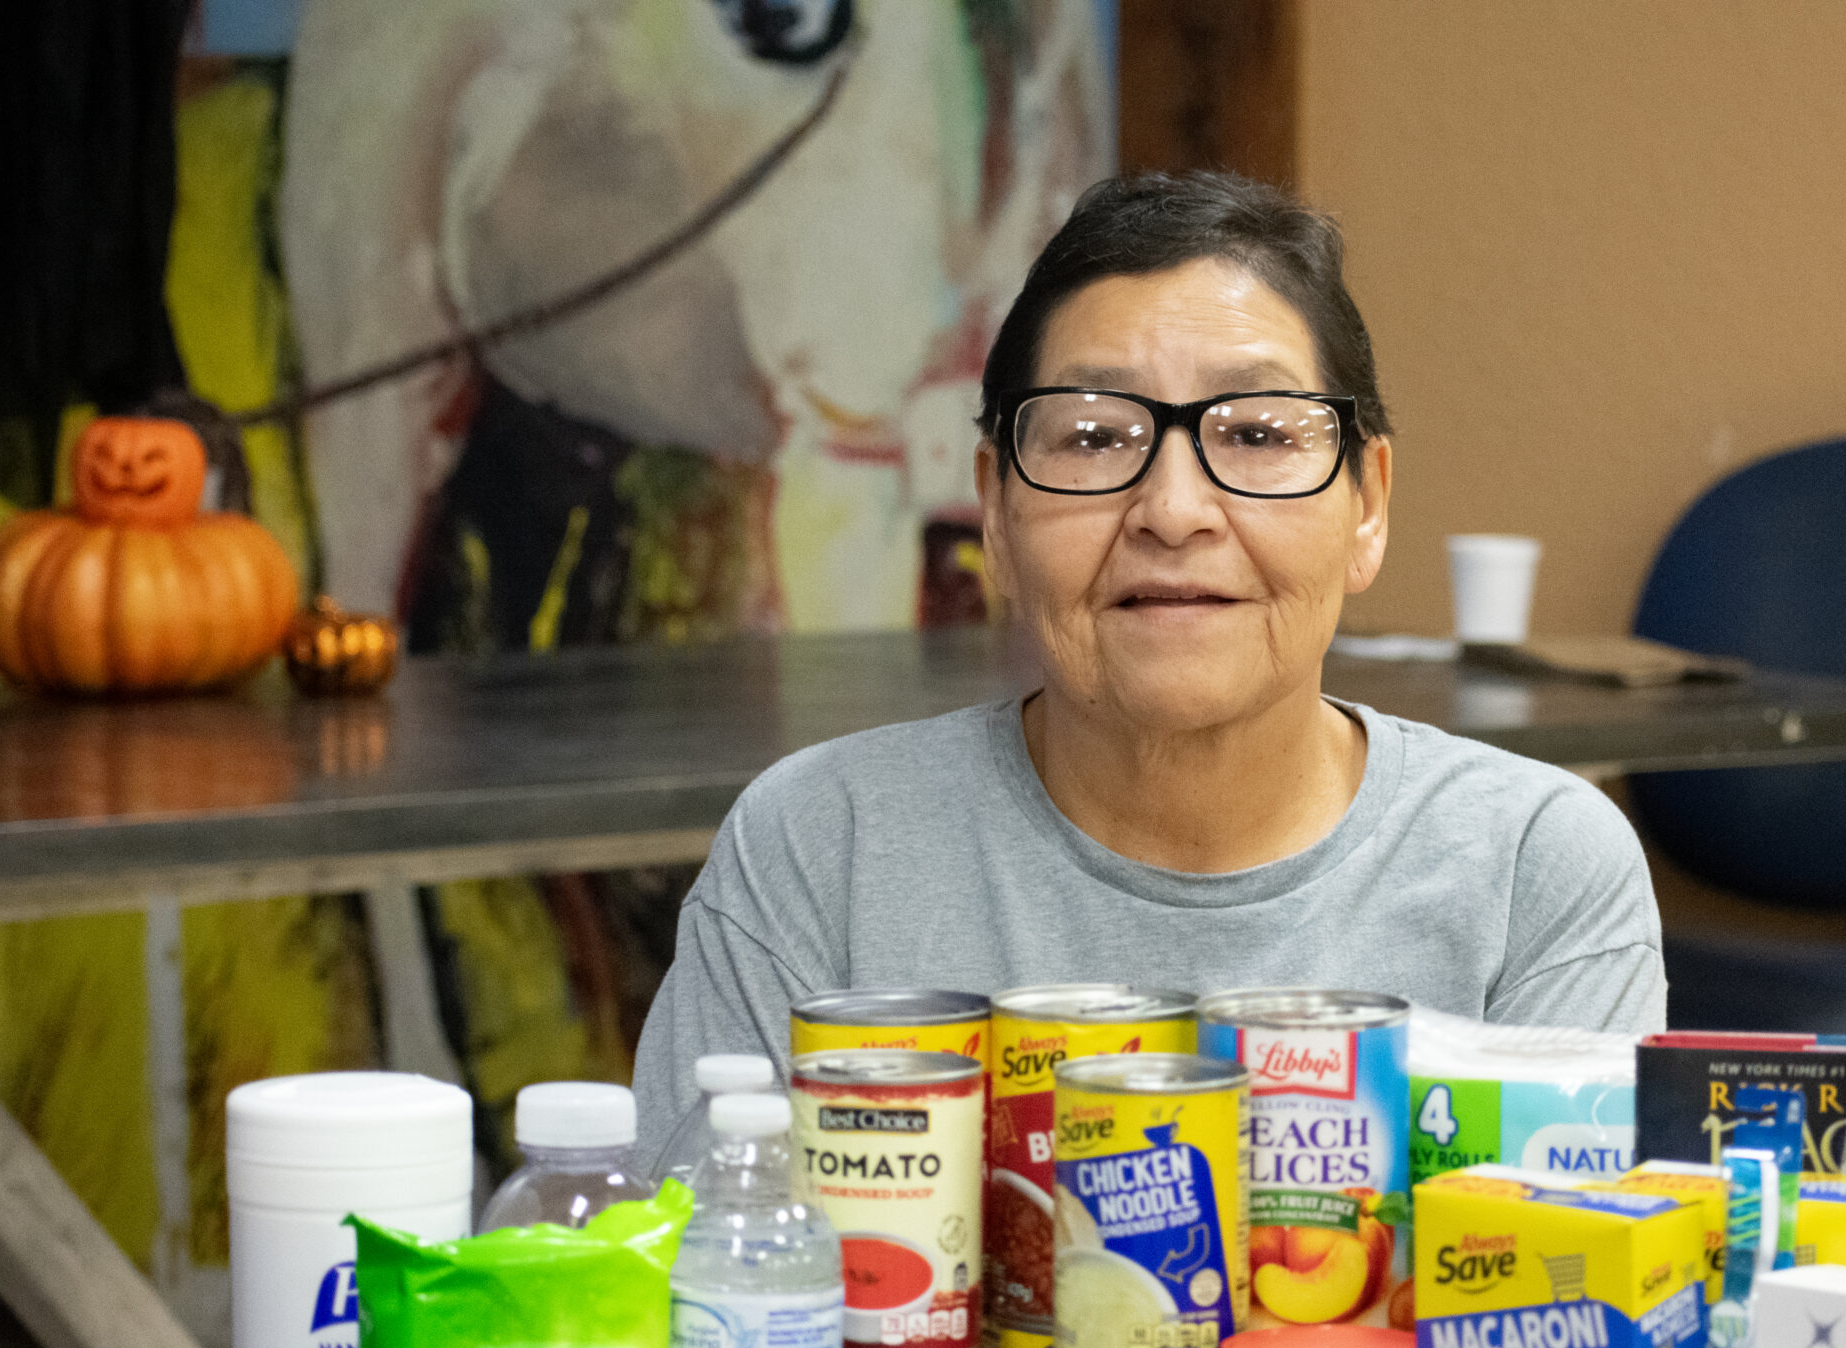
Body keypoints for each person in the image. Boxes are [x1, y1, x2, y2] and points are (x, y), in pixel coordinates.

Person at [632, 172, 1663, 1162]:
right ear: (994, 511)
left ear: (1368, 503)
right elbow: (704, 1278)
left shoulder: (1534, 866)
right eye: (1093, 437)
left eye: (1257, 432)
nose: (1173, 511)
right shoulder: (824, 846)